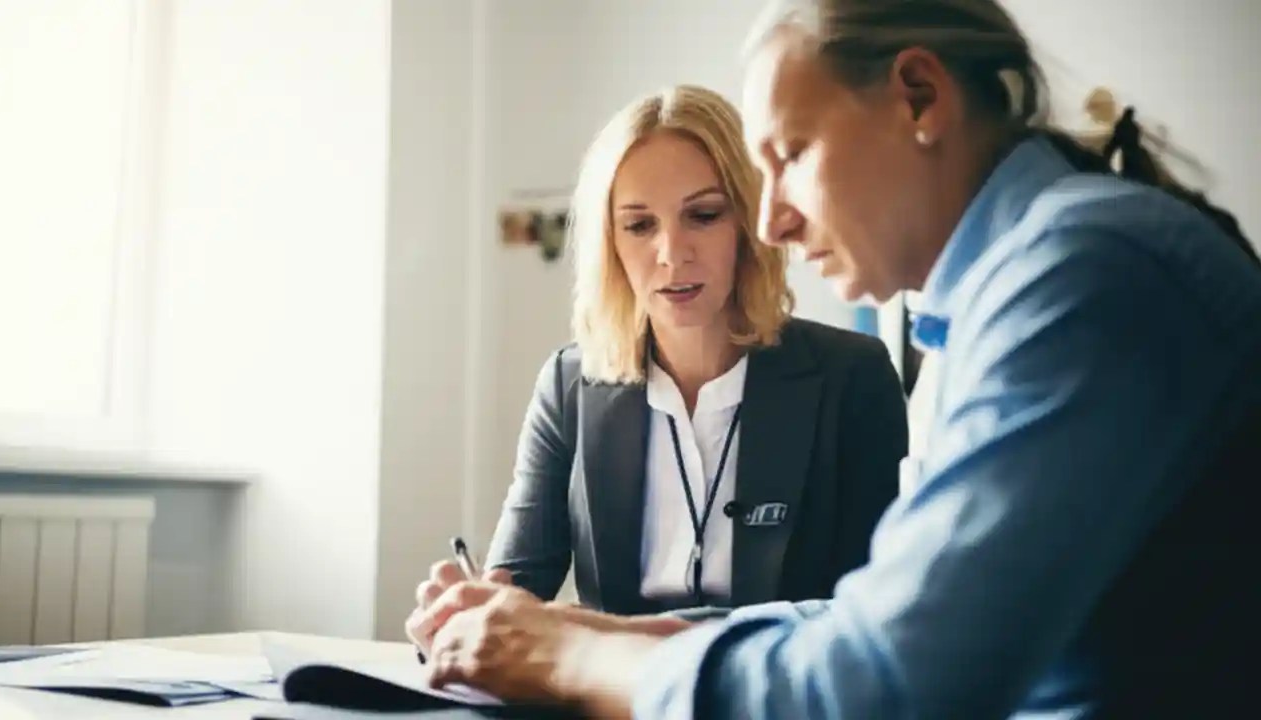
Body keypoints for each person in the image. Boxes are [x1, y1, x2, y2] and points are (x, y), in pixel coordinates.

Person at [406, 1, 1261, 718]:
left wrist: (571, 663)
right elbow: (875, 618)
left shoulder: (1078, 275)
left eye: (791, 156)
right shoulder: (1011, 294)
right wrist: (603, 636)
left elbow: (882, 682)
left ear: (920, 97)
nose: (771, 220)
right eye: (639, 225)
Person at [407, 84, 906, 642]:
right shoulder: (569, 385)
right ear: (610, 242)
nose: (672, 253)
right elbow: (518, 587)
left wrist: (602, 635)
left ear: (748, 224)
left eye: (704, 215)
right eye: (640, 225)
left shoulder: (851, 377)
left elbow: (872, 616)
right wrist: (472, 613)